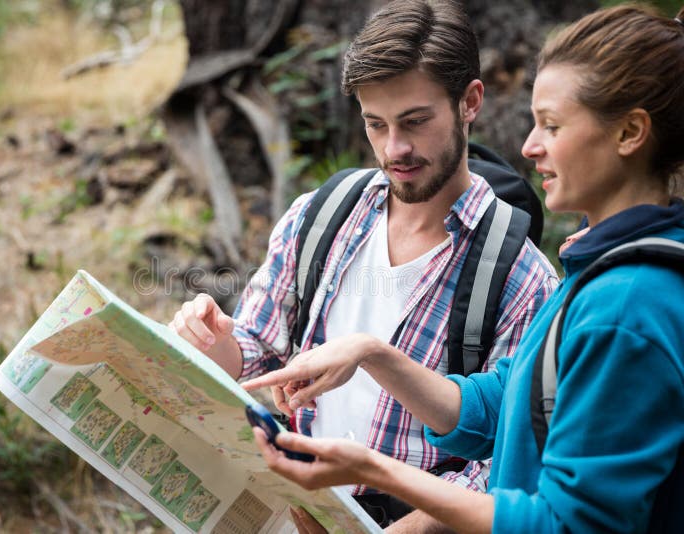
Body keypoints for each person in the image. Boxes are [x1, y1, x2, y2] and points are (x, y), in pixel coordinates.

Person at [243, 4, 684, 532]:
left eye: (552, 125)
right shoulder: (596, 273)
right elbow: (499, 408)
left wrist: (377, 474)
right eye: (375, 124)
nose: (528, 147)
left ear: (630, 133)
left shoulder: (625, 307)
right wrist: (372, 353)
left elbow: (568, 523)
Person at [169, 0, 558, 529]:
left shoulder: (521, 276)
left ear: (470, 102)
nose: (394, 148)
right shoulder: (321, 215)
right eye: (376, 124)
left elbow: (507, 461)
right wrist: (221, 349)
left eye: (415, 121)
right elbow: (263, 356)